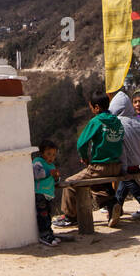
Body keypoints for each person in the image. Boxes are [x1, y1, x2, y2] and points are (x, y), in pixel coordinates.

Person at [53, 92, 125, 229]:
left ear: (97, 107)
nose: (91, 110)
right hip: (116, 166)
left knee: (69, 183)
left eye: (91, 107)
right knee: (97, 184)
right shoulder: (116, 121)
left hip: (100, 167)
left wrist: (85, 157)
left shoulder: (96, 121)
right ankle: (112, 206)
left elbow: (81, 143)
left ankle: (69, 217)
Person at [109, 95, 140, 219]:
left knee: (125, 178)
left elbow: (121, 150)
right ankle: (117, 205)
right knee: (125, 181)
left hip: (125, 166)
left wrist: (123, 169)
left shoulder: (116, 124)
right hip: (138, 165)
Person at [33, 140, 63, 246]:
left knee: (48, 214)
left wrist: (56, 177)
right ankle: (44, 235)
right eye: (48, 154)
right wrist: (49, 173)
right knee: (43, 214)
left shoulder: (52, 166)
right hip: (40, 193)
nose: (51, 157)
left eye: (54, 155)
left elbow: (56, 181)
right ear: (42, 153)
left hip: (49, 195)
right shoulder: (38, 162)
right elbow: (37, 174)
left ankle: (49, 233)